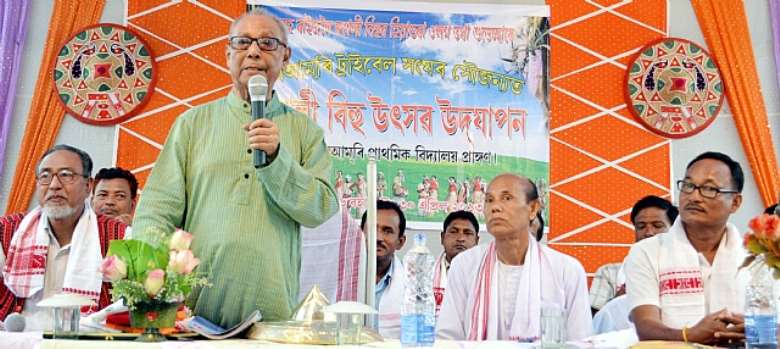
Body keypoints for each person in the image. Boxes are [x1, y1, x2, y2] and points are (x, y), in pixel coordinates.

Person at [131, 9, 338, 328]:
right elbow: (157, 211)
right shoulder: (192, 124)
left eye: (268, 43)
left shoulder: (305, 132)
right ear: (228, 55)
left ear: (286, 57)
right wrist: (150, 284)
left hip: (272, 316)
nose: (254, 51)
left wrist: (276, 158)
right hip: (193, 313)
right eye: (243, 42)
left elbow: (320, 208)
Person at [436, 173, 592, 341]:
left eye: (507, 198)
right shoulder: (465, 265)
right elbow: (448, 338)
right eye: (489, 200)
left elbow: (581, 341)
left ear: (532, 209)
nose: (495, 207)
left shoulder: (566, 270)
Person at [0, 145, 127, 330]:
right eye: (45, 176)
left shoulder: (120, 236)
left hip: (89, 342)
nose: (54, 185)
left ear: (88, 186)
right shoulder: (7, 231)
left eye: (66, 175)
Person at [625, 152, 746, 344]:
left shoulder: (756, 256)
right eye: (688, 186)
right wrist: (688, 335)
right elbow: (645, 326)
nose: (694, 196)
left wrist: (755, 328)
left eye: (709, 188)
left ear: (735, 202)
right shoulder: (647, 251)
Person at [592, 195, 678, 333]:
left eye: (657, 226)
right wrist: (619, 300)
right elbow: (593, 324)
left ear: (674, 230)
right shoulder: (609, 273)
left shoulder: (689, 271)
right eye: (641, 226)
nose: (649, 233)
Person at [361, 200, 407, 339]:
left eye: (388, 231)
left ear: (400, 242)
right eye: (373, 229)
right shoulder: (343, 277)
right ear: (360, 233)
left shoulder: (411, 284)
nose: (378, 237)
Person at [434, 210, 479, 317]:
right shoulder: (425, 273)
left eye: (467, 233)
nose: (460, 239)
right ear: (442, 237)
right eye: (454, 232)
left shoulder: (488, 275)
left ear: (477, 241)